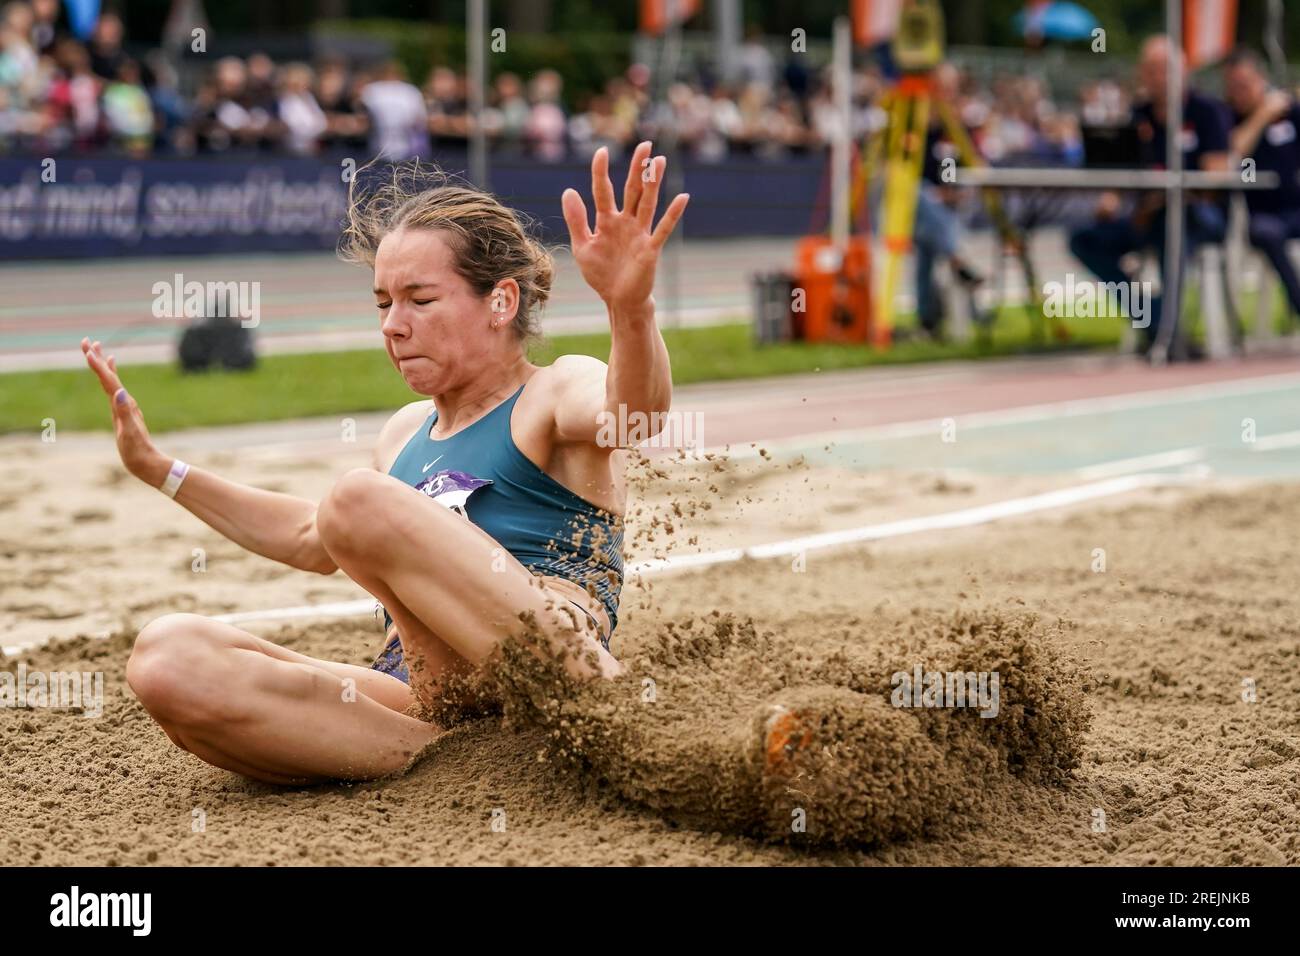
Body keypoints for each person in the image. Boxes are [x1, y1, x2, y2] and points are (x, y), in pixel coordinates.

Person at [80, 142, 689, 785]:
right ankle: (451, 764)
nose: (392, 326)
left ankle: (613, 715)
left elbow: (638, 418)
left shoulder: (555, 390)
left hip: (549, 651)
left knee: (355, 499)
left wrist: (630, 309)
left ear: (501, 303)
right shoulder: (404, 434)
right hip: (427, 693)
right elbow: (309, 535)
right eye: (382, 303)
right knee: (167, 658)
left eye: (419, 300)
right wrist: (160, 469)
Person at [1068, 35, 1230, 354]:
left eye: (1165, 69)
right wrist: (1112, 197)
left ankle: (1165, 329)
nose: (1158, 77)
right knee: (1084, 239)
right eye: (1151, 69)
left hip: (1198, 217)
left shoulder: (1207, 111)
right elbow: (1124, 169)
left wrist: (1162, 198)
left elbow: (1214, 179)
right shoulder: (1137, 115)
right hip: (1144, 215)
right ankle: (1156, 317)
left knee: (1172, 222)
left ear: (1184, 71)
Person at [1223, 46, 1300, 325]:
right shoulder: (1227, 116)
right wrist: (1262, 116)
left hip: (1295, 206)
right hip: (1258, 215)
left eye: (1244, 85)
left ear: (1261, 80)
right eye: (1233, 87)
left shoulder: (1291, 112)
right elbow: (1232, 153)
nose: (1238, 93)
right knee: (1268, 233)